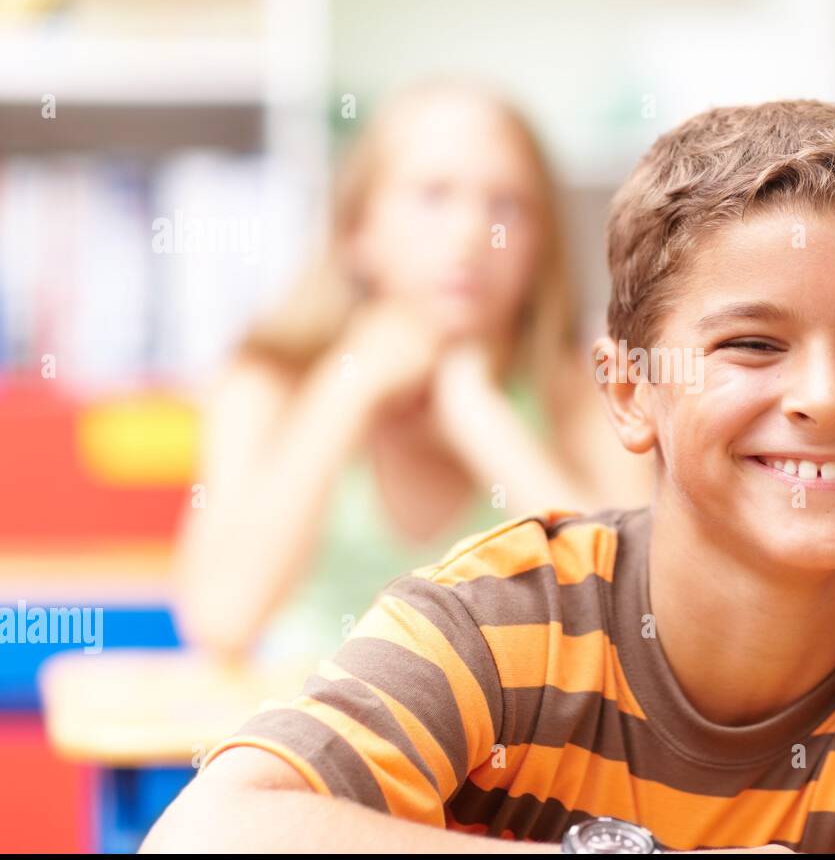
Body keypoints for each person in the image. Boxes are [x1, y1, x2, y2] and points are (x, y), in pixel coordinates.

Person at [145, 100, 835, 853]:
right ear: (630, 391)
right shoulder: (513, 618)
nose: (825, 397)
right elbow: (205, 841)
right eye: (752, 344)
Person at [171, 79, 653, 666]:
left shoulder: (584, 389)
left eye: (507, 205)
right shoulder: (270, 382)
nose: (471, 233)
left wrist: (480, 416)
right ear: (357, 232)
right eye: (432, 195)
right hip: (315, 738)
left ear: (540, 246)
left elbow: (631, 624)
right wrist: (347, 390)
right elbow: (221, 620)